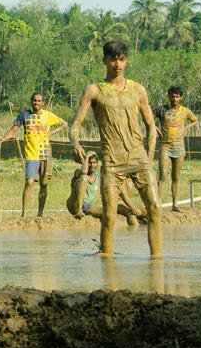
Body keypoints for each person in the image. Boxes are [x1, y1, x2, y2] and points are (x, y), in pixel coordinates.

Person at [69, 40, 163, 258]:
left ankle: (157, 262)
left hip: (139, 158)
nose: (117, 64)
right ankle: (107, 260)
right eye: (113, 59)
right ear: (104, 60)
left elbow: (151, 126)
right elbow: (75, 126)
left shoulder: (137, 89)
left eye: (121, 60)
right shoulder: (94, 90)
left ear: (126, 61)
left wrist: (148, 157)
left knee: (155, 209)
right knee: (110, 215)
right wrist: (75, 143)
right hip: (112, 162)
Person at [0, 93, 67, 218]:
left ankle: (40, 214)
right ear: (31, 102)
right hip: (31, 154)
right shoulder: (24, 115)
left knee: (44, 184)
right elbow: (13, 130)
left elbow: (64, 123)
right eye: (34, 101)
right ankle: (24, 214)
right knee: (29, 182)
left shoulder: (48, 115)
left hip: (46, 153)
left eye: (39, 101)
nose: (37, 103)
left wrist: (52, 132)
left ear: (43, 103)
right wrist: (4, 137)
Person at [154, 86, 199, 211]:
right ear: (169, 96)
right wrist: (157, 129)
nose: (174, 99)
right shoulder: (162, 109)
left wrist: (185, 129)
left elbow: (195, 120)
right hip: (165, 146)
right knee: (163, 175)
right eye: (172, 96)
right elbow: (148, 118)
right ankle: (158, 204)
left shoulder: (185, 111)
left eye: (177, 96)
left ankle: (175, 204)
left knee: (176, 177)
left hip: (179, 147)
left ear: (181, 97)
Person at [66, 151, 145, 223]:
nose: (92, 165)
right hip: (74, 205)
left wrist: (132, 208)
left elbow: (122, 193)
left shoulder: (99, 176)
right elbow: (83, 172)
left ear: (97, 164)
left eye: (94, 163)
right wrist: (87, 157)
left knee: (122, 209)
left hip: (88, 207)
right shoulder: (79, 172)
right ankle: (79, 209)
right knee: (84, 178)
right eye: (89, 163)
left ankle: (138, 225)